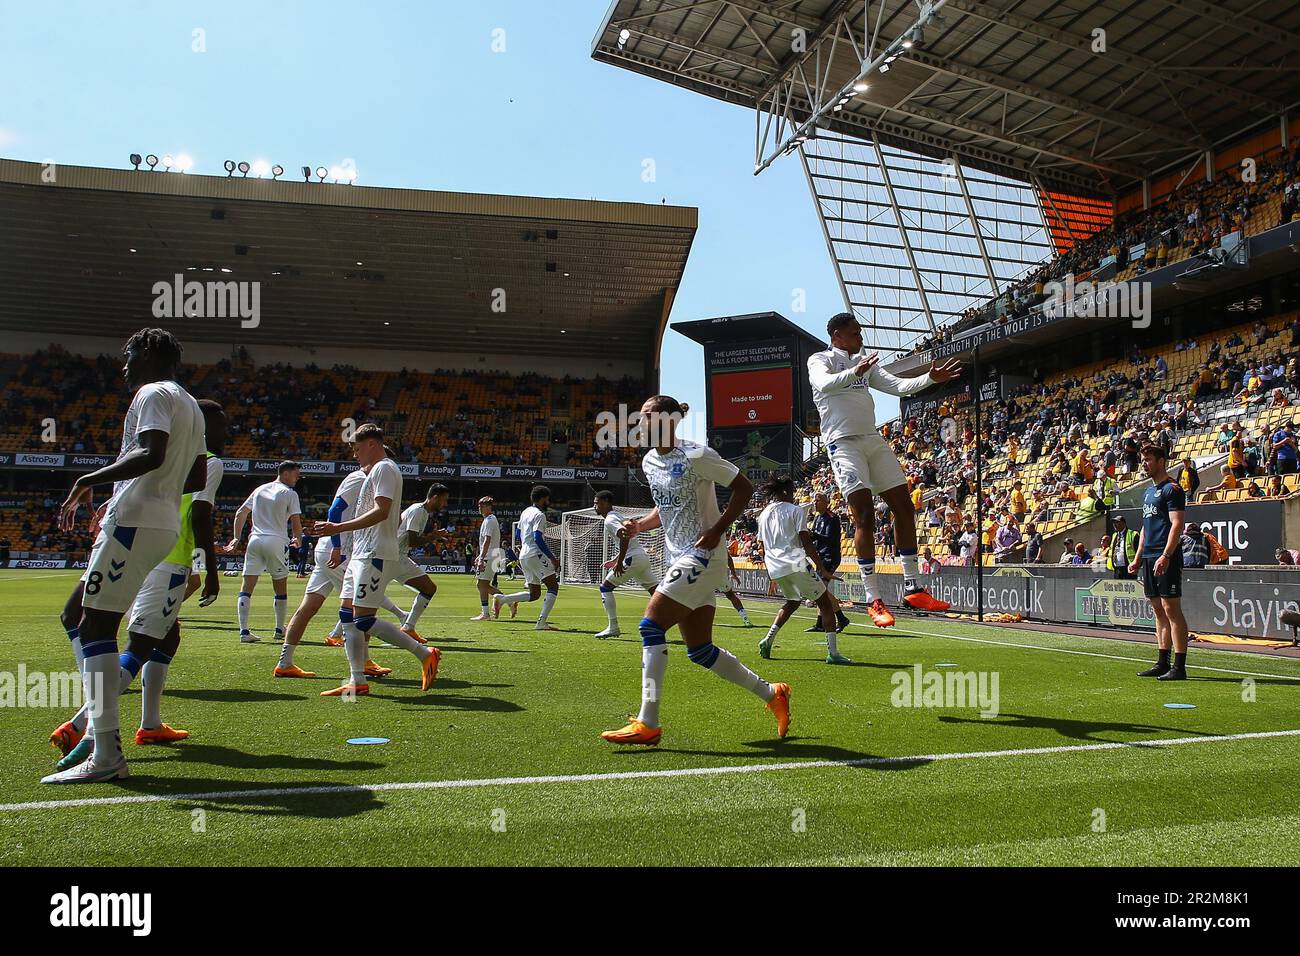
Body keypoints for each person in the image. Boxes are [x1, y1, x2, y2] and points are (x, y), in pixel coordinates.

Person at [44, 328, 207, 785]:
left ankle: (105, 750)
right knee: (89, 619)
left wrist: (90, 480)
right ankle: (98, 732)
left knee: (92, 625)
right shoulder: (191, 404)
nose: (125, 364)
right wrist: (140, 491)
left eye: (130, 355)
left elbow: (151, 453)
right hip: (160, 525)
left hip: (134, 522)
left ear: (151, 354)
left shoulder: (153, 393)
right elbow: (193, 475)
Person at [601, 395, 789, 746]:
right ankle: (773, 693)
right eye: (640, 417)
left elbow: (744, 488)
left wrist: (717, 530)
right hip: (678, 557)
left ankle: (648, 722)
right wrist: (639, 526)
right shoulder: (648, 462)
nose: (640, 422)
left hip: (703, 554)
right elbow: (665, 508)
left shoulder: (697, 455)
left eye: (648, 416)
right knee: (700, 649)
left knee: (650, 625)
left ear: (670, 421)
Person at [807, 312, 959, 625]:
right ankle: (873, 599)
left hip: (872, 440)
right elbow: (825, 385)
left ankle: (913, 587)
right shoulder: (820, 359)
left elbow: (898, 385)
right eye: (855, 332)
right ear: (837, 335)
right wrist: (855, 372)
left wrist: (931, 379)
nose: (861, 337)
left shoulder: (865, 362)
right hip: (843, 443)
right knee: (863, 514)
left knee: (904, 507)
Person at [313, 423, 440, 699]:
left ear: (372, 444)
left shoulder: (384, 468)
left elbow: (382, 511)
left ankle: (425, 654)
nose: (355, 455)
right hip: (362, 553)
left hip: (375, 554)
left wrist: (339, 529)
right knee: (347, 615)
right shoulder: (374, 472)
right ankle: (356, 679)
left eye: (358, 449)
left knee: (363, 620)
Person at [754, 475, 850, 664]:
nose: (793, 496)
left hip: (775, 566)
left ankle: (767, 640)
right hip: (795, 562)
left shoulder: (763, 513)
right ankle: (833, 653)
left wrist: (770, 571)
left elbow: (762, 545)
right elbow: (806, 541)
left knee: (792, 602)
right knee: (825, 603)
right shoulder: (795, 511)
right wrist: (821, 568)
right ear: (784, 492)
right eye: (790, 492)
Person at [1128, 444, 1189, 681]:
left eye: (1148, 459)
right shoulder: (1148, 492)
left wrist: (1166, 555)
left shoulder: (1172, 489)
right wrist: (1138, 556)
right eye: (1143, 460)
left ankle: (1179, 665)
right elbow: (1145, 528)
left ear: (1161, 461)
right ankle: (1162, 661)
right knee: (1157, 609)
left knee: (1171, 608)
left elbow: (1177, 524)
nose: (1144, 463)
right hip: (1150, 556)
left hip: (1166, 555)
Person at [225, 461, 303, 643]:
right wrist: (298, 539)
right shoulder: (289, 493)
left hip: (255, 540)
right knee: (280, 588)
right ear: (285, 473)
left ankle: (244, 632)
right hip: (276, 541)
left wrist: (236, 537)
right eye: (296, 474)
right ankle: (278, 629)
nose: (298, 478)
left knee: (246, 588)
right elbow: (296, 521)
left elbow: (240, 513)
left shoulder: (259, 489)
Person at [494, 485, 562, 631]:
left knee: (535, 594)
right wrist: (552, 558)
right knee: (553, 586)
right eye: (547, 499)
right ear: (543, 498)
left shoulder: (525, 512)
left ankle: (502, 599)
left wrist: (524, 543)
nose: (548, 502)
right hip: (534, 553)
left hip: (524, 555)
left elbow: (518, 534)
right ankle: (541, 622)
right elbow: (538, 538)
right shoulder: (539, 515)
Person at [591, 490, 658, 639]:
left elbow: (625, 535)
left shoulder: (610, 519)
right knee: (658, 593)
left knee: (605, 587)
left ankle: (613, 627)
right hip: (641, 558)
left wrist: (620, 562)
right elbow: (627, 538)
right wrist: (615, 559)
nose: (595, 506)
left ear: (607, 502)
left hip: (633, 558)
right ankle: (685, 616)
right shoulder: (616, 516)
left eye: (597, 503)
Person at [804, 492, 851, 632]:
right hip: (821, 557)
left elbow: (830, 538)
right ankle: (820, 623)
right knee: (820, 590)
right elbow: (816, 538)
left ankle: (841, 618)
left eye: (818, 500)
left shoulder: (832, 518)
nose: (815, 503)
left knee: (820, 589)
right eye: (815, 500)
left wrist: (813, 535)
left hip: (830, 557)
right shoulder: (818, 518)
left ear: (826, 502)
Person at [469, 496, 506, 621]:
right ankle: (508, 601)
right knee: (483, 585)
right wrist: (480, 556)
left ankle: (485, 614)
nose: (479, 508)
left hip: (491, 555)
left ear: (489, 507)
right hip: (493, 554)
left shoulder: (490, 520)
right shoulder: (488, 520)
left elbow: (487, 540)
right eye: (479, 506)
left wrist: (481, 558)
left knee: (481, 584)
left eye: (482, 506)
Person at [1107, 514, 1138, 579]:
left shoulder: (1133, 534)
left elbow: (1139, 551)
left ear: (1124, 524)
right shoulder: (1114, 535)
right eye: (1114, 523)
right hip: (1117, 569)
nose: (1114, 524)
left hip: (1129, 569)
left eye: (1117, 522)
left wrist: (1137, 566)